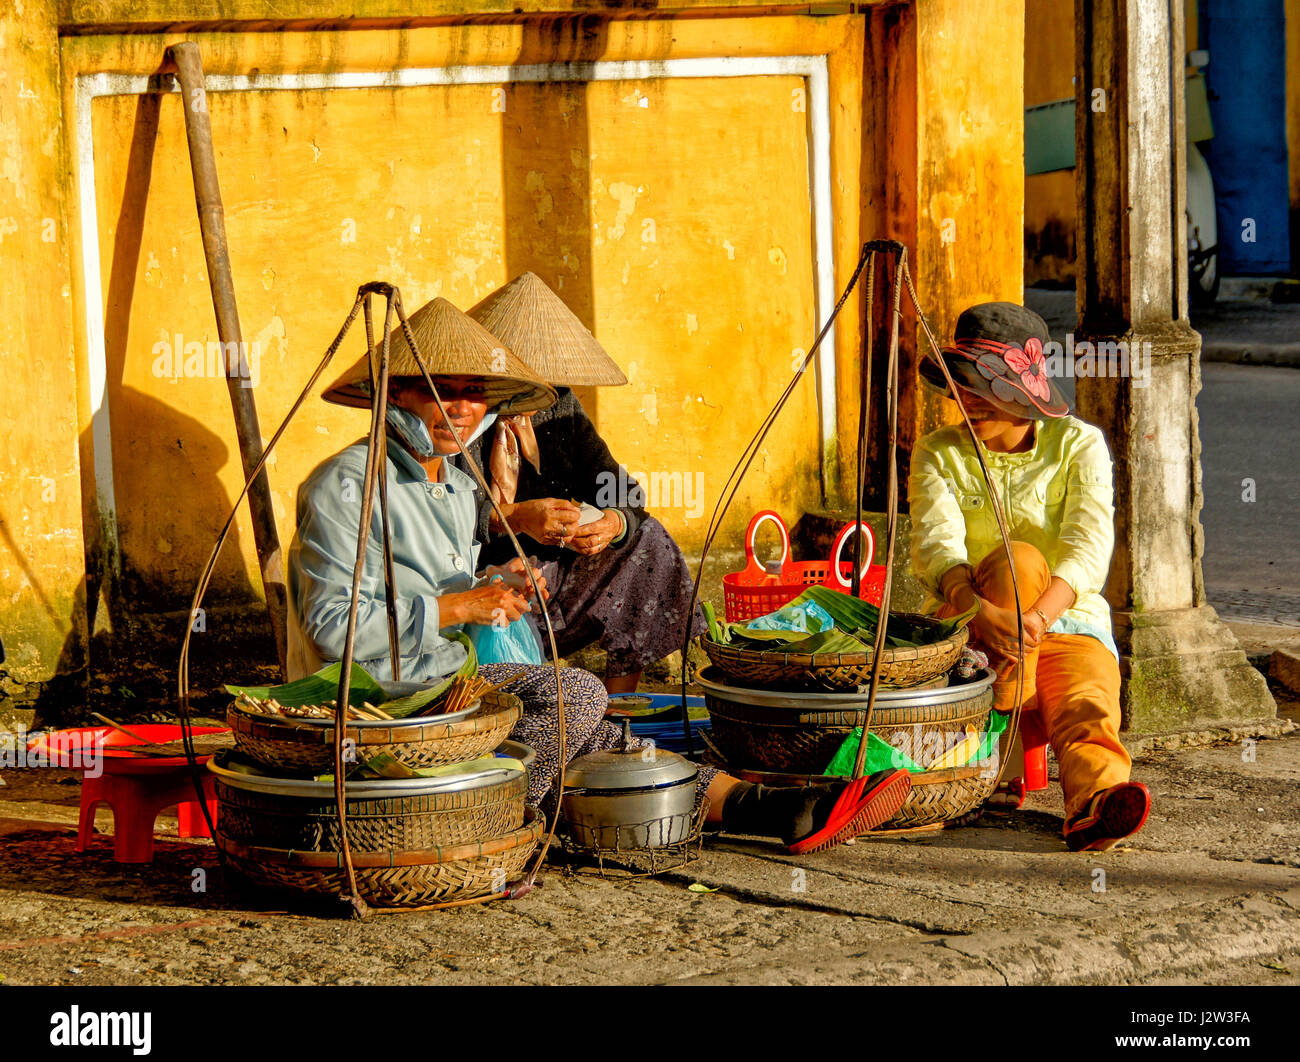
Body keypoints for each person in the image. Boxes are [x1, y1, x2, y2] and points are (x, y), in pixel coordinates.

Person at [287, 294, 910, 852]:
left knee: (608, 741)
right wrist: (463, 607)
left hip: (453, 672)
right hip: (383, 697)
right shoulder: (347, 487)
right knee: (578, 697)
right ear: (396, 392)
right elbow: (332, 629)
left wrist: (498, 585)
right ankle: (489, 812)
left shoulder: (449, 479)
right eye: (439, 391)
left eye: (474, 391)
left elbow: (607, 500)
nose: (461, 408)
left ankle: (771, 809)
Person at [908, 301, 1150, 852]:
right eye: (961, 384)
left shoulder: (1079, 445)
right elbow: (934, 546)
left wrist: (1034, 621)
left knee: (1088, 706)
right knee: (1015, 562)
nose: (966, 397)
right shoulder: (937, 452)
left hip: (1063, 623)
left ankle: (1096, 802)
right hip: (970, 632)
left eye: (981, 385)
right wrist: (977, 609)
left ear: (1022, 390)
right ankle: (1001, 745)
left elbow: (1088, 546)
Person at [464, 272, 702, 695]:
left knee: (646, 537)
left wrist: (611, 523)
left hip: (551, 584)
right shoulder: (460, 418)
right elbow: (442, 517)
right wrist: (515, 518)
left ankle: (618, 707)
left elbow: (623, 491)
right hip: (480, 588)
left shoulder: (559, 407)